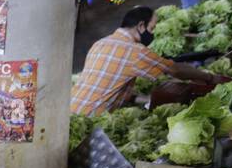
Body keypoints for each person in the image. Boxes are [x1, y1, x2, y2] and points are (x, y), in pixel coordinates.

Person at [71, 6, 220, 116]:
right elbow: (175, 70)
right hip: (91, 116)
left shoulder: (101, 43)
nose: (153, 34)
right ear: (141, 26)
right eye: (152, 28)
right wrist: (209, 77)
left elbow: (108, 83)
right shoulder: (135, 51)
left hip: (72, 111)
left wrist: (143, 99)